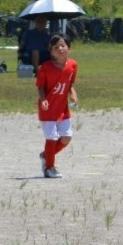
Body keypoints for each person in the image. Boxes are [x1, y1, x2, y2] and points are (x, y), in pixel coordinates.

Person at [37, 34, 78, 179]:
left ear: (69, 48)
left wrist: (73, 94)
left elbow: (70, 84)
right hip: (48, 109)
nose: (60, 49)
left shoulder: (72, 65)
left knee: (66, 137)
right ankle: (49, 168)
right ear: (51, 50)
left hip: (62, 108)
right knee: (52, 138)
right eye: (56, 47)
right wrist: (43, 100)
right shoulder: (45, 67)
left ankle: (46, 156)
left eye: (63, 45)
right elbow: (40, 87)